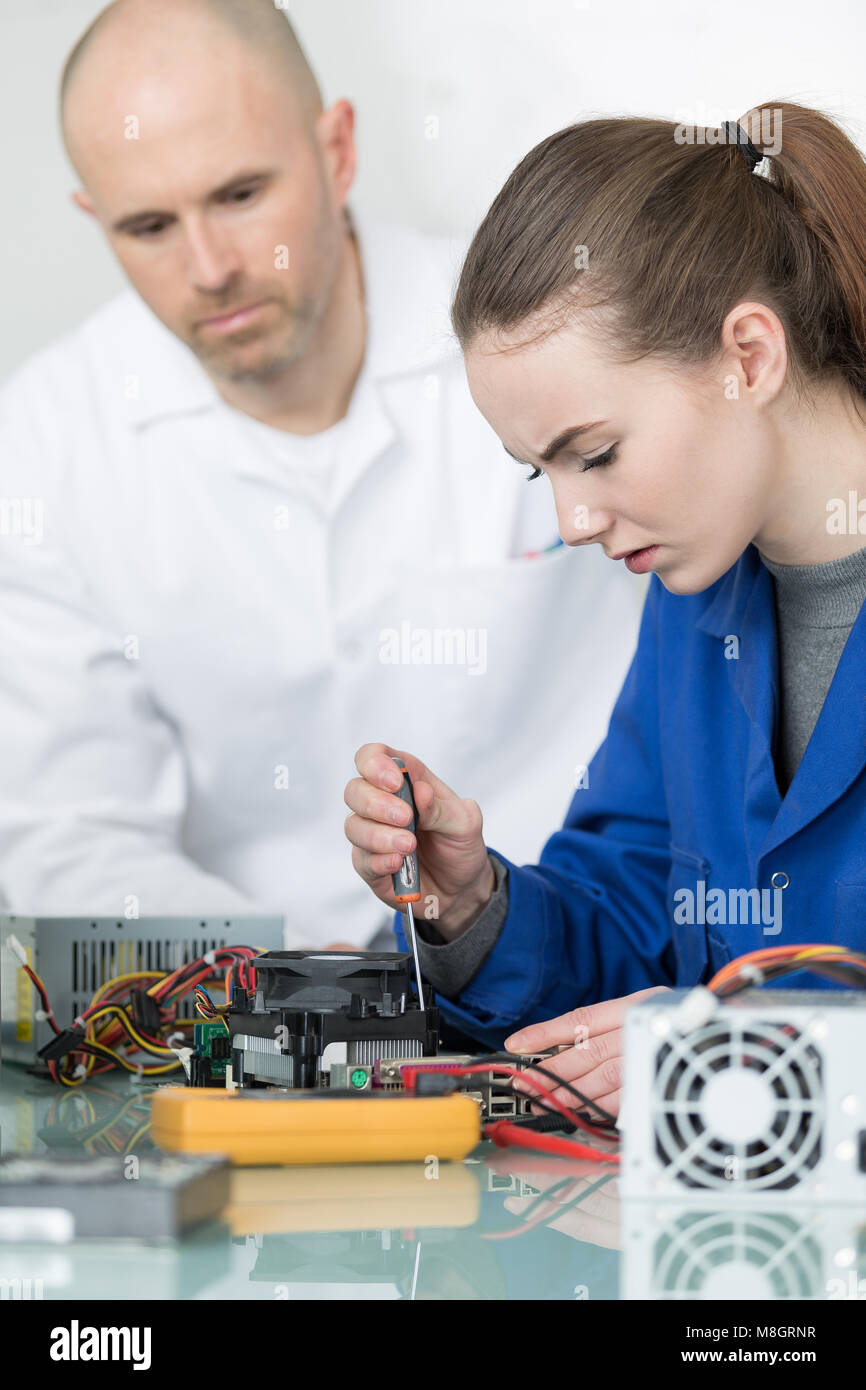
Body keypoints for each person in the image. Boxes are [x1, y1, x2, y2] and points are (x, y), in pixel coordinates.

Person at [0, 0, 643, 946]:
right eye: (147, 226)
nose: (209, 267)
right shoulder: (44, 442)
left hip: (579, 960)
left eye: (240, 195)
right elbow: (74, 839)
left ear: (337, 148)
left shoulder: (547, 342)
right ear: (95, 221)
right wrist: (298, 989)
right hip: (239, 1015)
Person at [344, 101, 866, 1113]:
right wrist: (471, 907)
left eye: (593, 453)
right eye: (536, 469)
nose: (573, 517)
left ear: (748, 356)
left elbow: (725, 1022)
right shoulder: (694, 598)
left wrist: (747, 1050)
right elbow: (638, 923)